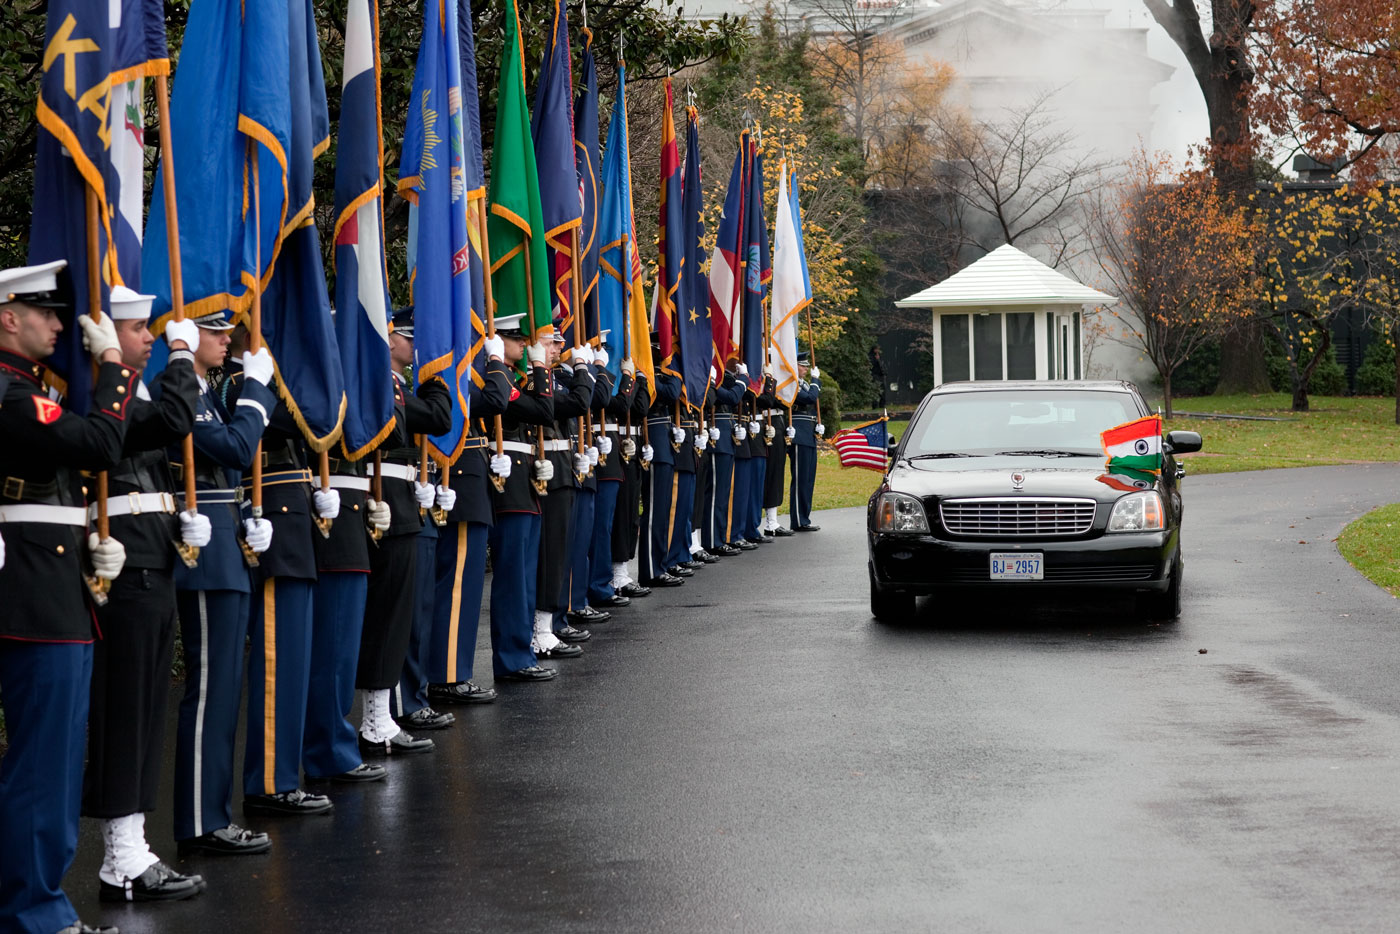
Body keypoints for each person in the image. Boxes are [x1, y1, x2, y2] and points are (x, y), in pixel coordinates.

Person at [0, 260, 137, 934]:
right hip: (32, 597)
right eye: (46, 313)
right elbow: (102, 443)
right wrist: (112, 361)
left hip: (51, 583)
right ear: (7, 316)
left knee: (50, 760)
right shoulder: (12, 395)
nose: (59, 324)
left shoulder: (27, 386)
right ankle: (34, 911)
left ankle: (37, 903)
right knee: (42, 765)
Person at [83, 287, 206, 903]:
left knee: (147, 706)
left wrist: (179, 518)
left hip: (151, 556)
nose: (151, 337)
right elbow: (175, 423)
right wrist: (184, 357)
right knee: (125, 709)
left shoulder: (134, 389)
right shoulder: (100, 390)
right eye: (138, 329)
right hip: (122, 565)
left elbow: (161, 452)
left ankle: (132, 842)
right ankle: (119, 854)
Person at [171, 311, 278, 855]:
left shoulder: (204, 390)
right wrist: (257, 391)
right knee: (212, 688)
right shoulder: (183, 388)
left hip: (224, 543)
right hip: (205, 554)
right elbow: (235, 449)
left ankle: (211, 812)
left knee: (224, 689)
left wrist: (246, 516)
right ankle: (199, 820)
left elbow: (229, 465)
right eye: (215, 331)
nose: (227, 339)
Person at [224, 328, 339, 817]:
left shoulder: (268, 385)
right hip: (272, 522)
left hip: (294, 524)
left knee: (293, 659)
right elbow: (305, 420)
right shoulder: (235, 384)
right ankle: (270, 781)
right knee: (277, 658)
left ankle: (283, 773)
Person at [356, 307, 451, 756]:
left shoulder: (395, 385)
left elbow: (437, 418)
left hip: (400, 499)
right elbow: (435, 416)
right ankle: (373, 718)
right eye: (411, 338)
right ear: (387, 338)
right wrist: (435, 378)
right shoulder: (373, 381)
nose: (417, 347)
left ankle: (381, 716)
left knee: (396, 616)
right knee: (380, 618)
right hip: (377, 501)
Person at [420, 330, 514, 707]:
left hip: (467, 483)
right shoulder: (443, 380)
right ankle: (446, 675)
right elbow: (495, 399)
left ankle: (451, 671)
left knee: (465, 585)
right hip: (459, 483)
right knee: (457, 584)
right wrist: (493, 362)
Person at [486, 313, 556, 682]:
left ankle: (521, 652)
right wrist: (541, 365)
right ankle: (512, 658)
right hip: (507, 484)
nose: (524, 346)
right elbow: (543, 411)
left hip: (523, 480)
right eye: (518, 340)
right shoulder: (497, 380)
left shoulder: (512, 379)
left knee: (525, 576)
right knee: (513, 576)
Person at [533, 331, 594, 658]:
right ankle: (539, 629)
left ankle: (552, 622)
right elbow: (580, 401)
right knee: (548, 557)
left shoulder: (554, 377)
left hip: (563, 470)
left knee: (561, 555)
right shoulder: (531, 380)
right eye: (551, 341)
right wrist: (584, 366)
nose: (560, 347)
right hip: (546, 476)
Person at [585, 350, 639, 611]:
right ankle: (598, 585)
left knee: (608, 524)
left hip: (611, 453)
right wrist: (624, 376)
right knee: (598, 528)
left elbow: (626, 406)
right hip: (597, 455)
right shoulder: (586, 374)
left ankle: (603, 581)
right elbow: (612, 402)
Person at [639, 339, 683, 587]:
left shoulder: (660, 373)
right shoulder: (648, 373)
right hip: (654, 443)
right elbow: (672, 392)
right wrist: (675, 369)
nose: (667, 353)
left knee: (663, 510)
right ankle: (651, 570)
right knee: (655, 511)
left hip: (664, 443)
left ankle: (660, 564)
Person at [606, 368, 653, 599]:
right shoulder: (610, 374)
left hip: (632, 443)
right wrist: (627, 378)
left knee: (632, 512)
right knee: (621, 513)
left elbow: (642, 407)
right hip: (616, 444)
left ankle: (622, 571)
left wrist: (641, 380)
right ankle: (616, 573)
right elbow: (625, 406)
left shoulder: (632, 377)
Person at [703, 363, 745, 558]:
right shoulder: (709, 376)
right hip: (716, 441)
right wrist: (743, 380)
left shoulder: (724, 377)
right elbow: (731, 397)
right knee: (715, 495)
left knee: (723, 494)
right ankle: (712, 540)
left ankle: (720, 537)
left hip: (726, 439)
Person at [788, 351, 824, 533]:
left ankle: (804, 518)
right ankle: (797, 520)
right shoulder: (791, 384)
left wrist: (817, 425)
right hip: (798, 435)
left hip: (808, 433)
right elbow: (810, 398)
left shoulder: (804, 384)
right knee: (800, 478)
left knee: (808, 479)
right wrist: (816, 381)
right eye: (803, 366)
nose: (806, 369)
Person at [869, 344, 887, 408]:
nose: (877, 350)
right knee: (876, 390)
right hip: (875, 375)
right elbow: (872, 366)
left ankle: (882, 404)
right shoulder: (871, 357)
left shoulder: (879, 356)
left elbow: (882, 365)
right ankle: (875, 405)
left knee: (883, 390)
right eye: (876, 349)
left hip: (881, 375)